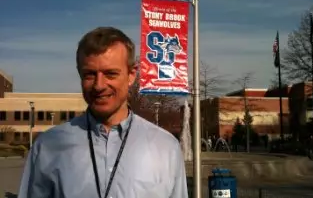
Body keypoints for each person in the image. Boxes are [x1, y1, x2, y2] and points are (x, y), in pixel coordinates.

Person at [18, 27, 188, 198]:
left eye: (110, 74)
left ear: (131, 75)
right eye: (90, 74)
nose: (99, 85)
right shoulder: (48, 146)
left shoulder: (166, 148)